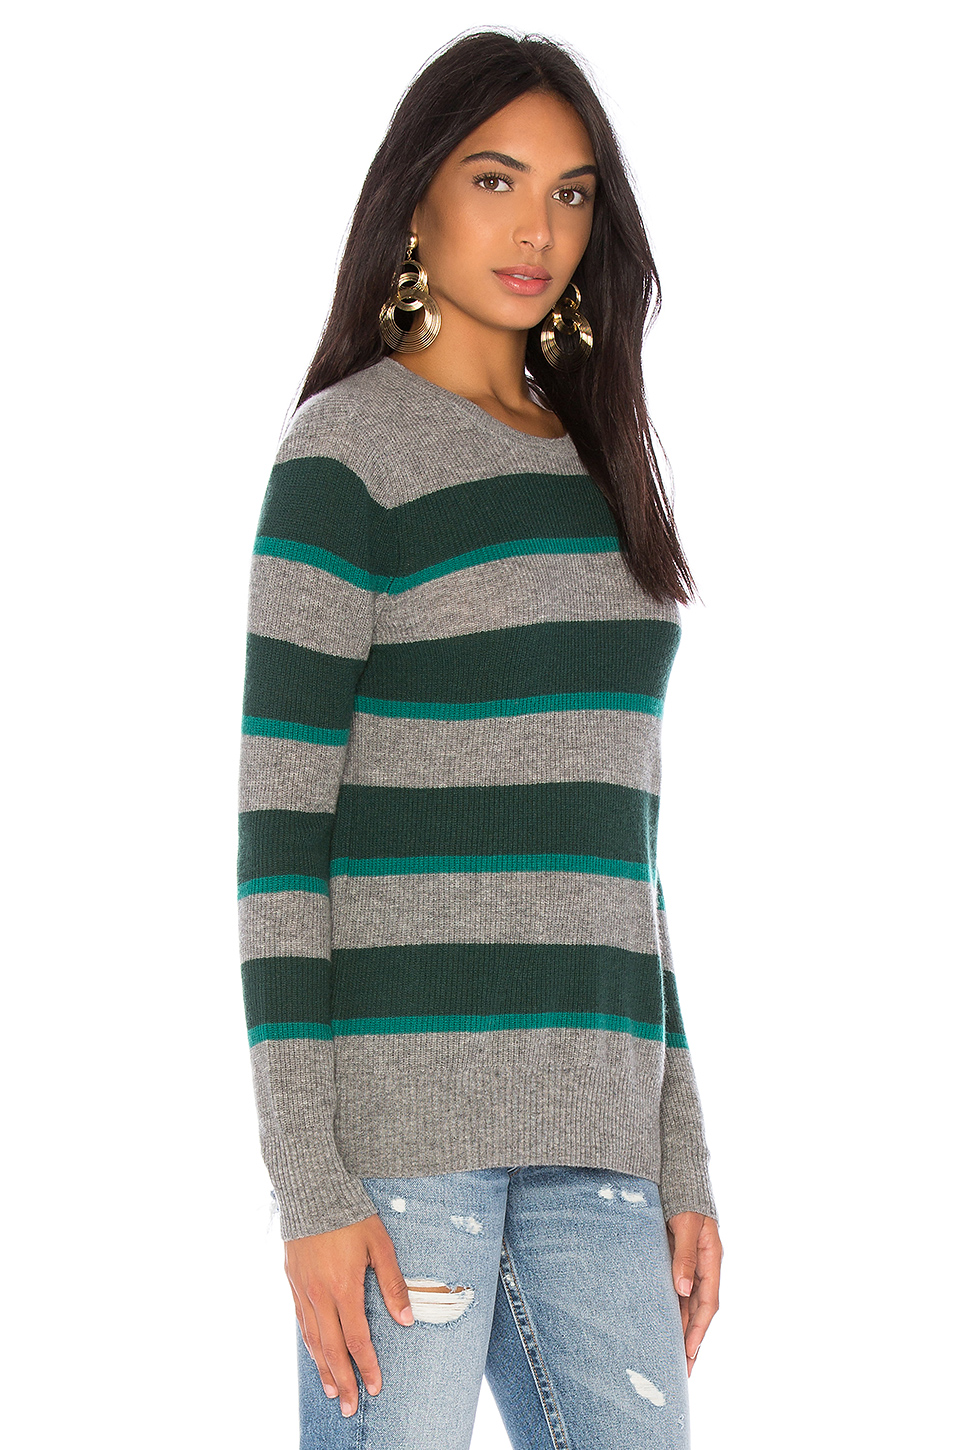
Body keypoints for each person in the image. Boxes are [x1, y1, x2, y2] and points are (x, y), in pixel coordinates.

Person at [237, 27, 722, 1450]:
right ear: (417, 199)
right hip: (406, 1144)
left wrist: (681, 1149)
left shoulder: (600, 468)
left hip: (604, 1138)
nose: (537, 229)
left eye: (572, 193)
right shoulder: (346, 456)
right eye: (496, 180)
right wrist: (309, 1187)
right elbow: (280, 844)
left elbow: (621, 845)